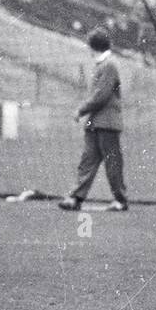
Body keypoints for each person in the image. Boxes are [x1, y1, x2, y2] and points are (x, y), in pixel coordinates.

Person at [57, 28, 128, 212]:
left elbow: (101, 96)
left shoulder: (109, 65)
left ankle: (120, 200)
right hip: (95, 123)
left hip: (107, 123)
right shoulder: (102, 65)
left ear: (92, 46)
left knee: (112, 164)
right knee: (87, 161)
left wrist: (81, 110)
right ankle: (75, 198)